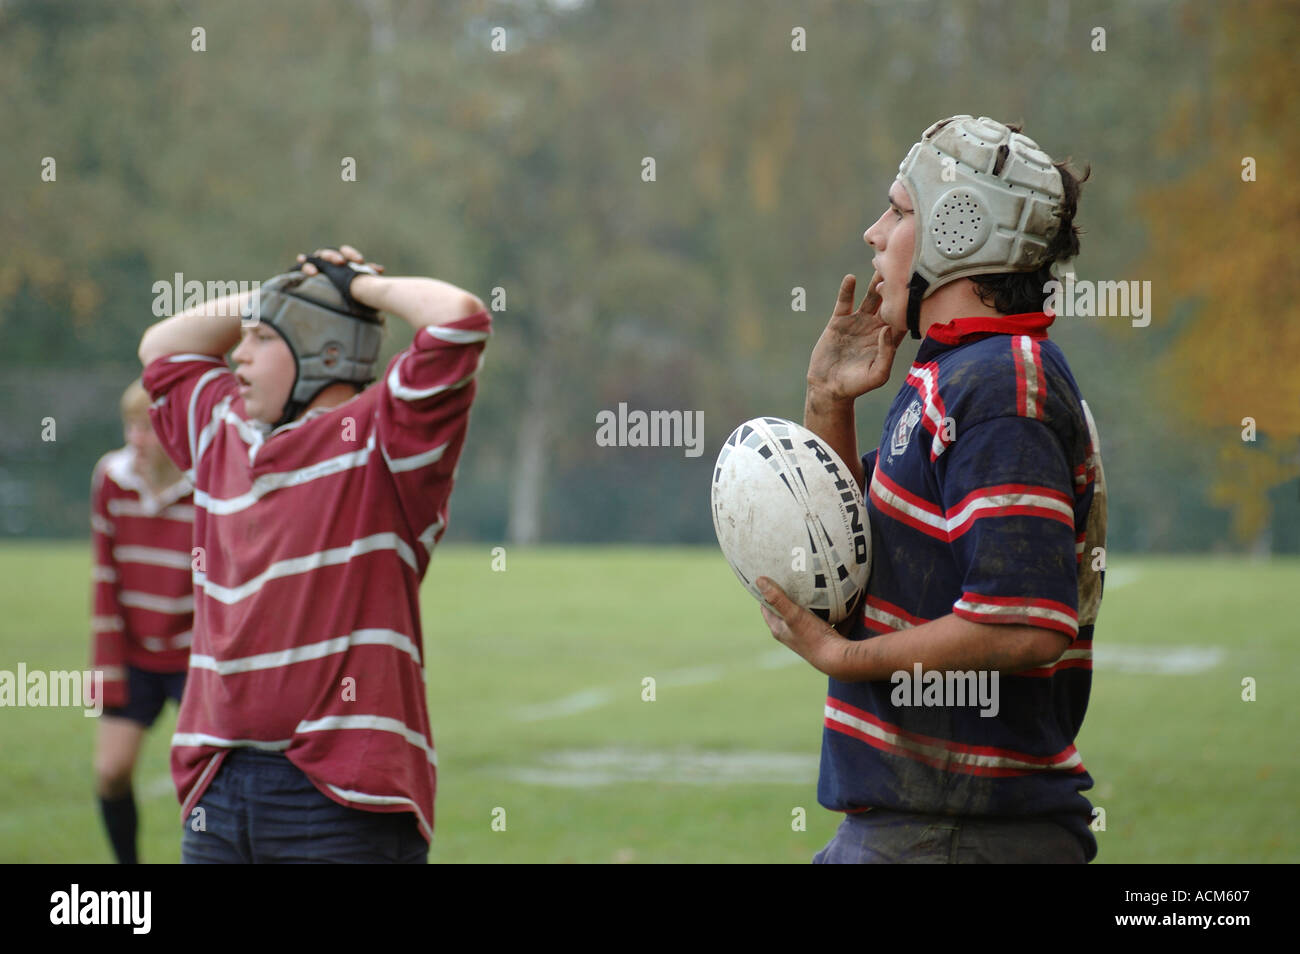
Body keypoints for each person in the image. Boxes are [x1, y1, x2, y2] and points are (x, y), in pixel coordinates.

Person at [758, 116, 1107, 863]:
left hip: (957, 841)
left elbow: (1024, 622)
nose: (873, 233)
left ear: (961, 227)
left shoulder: (1004, 383)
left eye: (900, 210)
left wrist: (842, 658)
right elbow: (856, 555)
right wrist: (829, 401)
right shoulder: (957, 376)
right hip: (917, 830)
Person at [136, 245, 489, 863]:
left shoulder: (383, 439)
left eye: (262, 339)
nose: (237, 354)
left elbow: (458, 318)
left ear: (325, 353)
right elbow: (162, 346)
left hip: (340, 799)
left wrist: (358, 289)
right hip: (217, 788)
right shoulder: (223, 433)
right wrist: (287, 288)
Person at [91, 378, 195, 864]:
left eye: (148, 428)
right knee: (111, 770)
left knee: (200, 787)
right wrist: (106, 673)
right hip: (133, 653)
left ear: (176, 432)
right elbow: (104, 581)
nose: (136, 438)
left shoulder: (207, 486)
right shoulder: (111, 478)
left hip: (195, 657)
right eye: (130, 425)